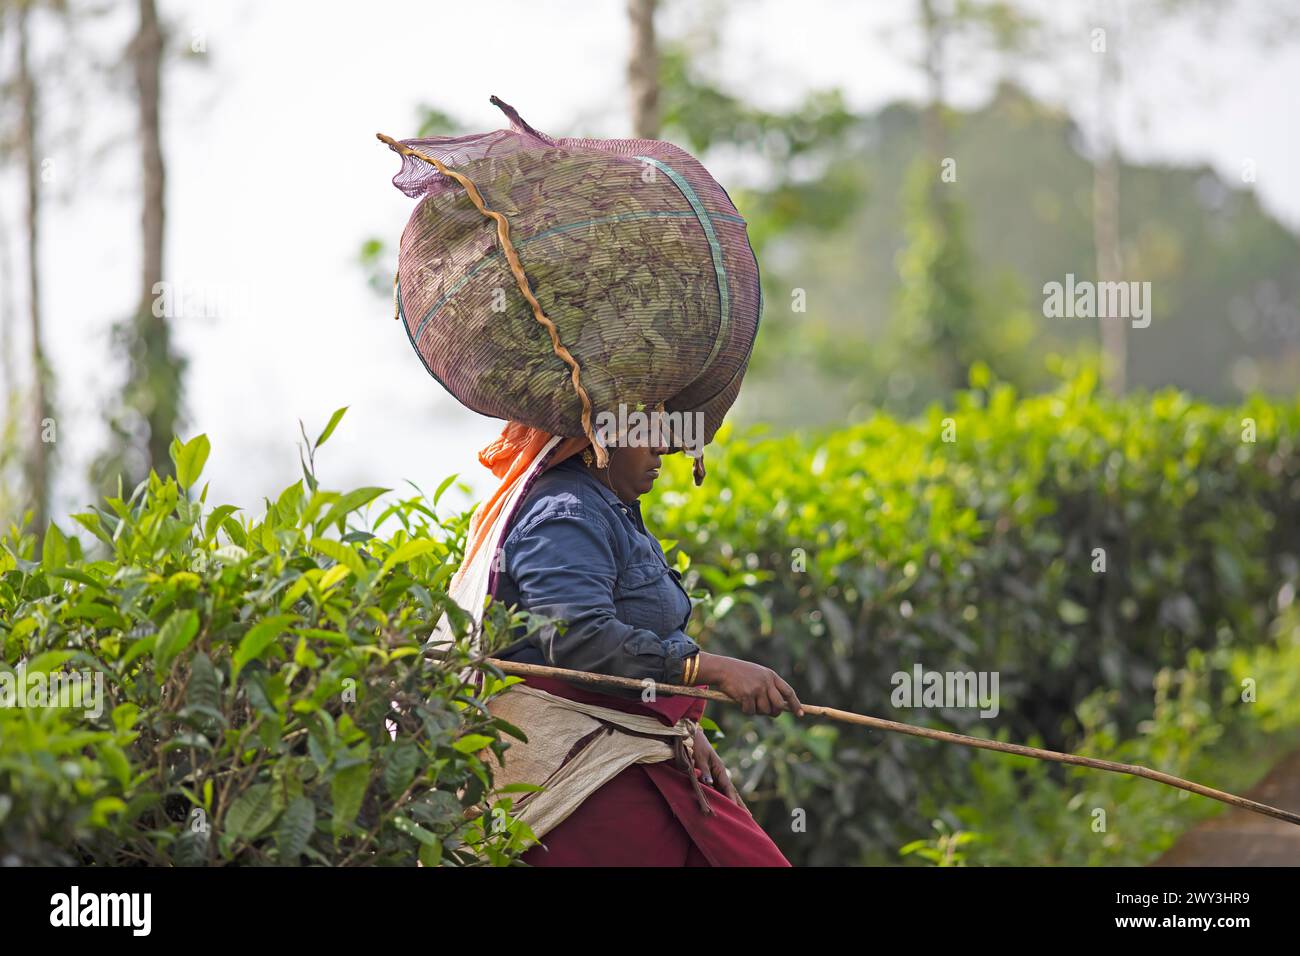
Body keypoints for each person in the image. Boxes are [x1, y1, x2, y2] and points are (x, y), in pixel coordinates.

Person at [468, 421, 801, 866]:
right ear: (598, 442)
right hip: (583, 780)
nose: (663, 447)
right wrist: (715, 670)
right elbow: (580, 639)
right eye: (646, 431)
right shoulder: (567, 512)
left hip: (628, 753)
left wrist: (678, 727)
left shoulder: (609, 507)